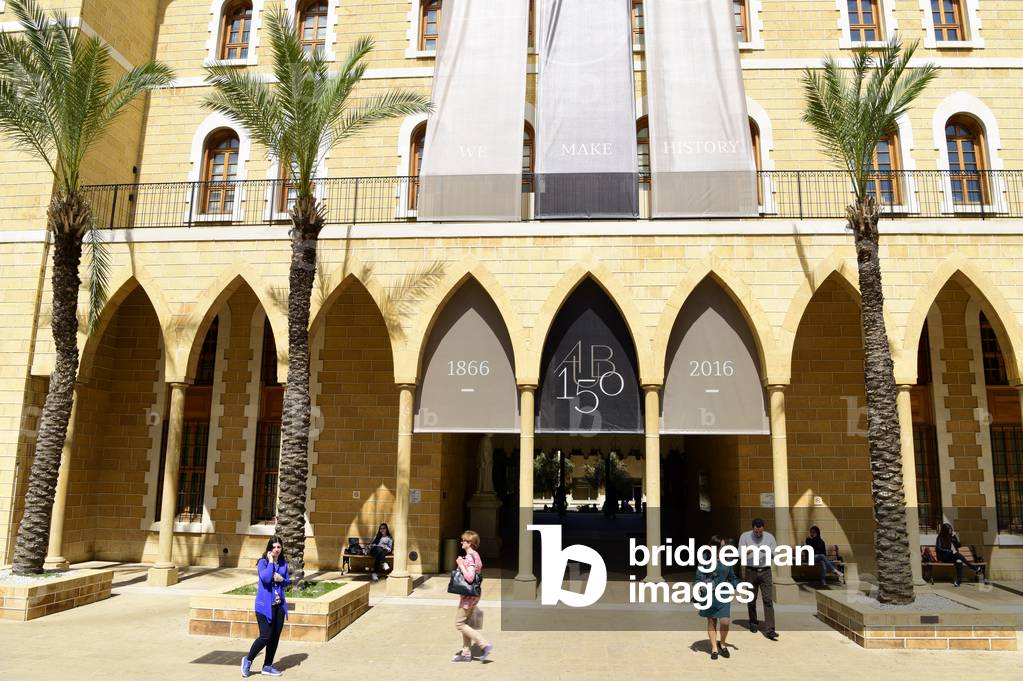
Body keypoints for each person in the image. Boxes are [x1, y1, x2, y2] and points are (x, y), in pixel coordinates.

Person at [242, 536, 290, 678]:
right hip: (264, 607)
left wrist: (282, 579)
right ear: (269, 549)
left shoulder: (283, 564)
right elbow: (266, 578)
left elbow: (287, 582)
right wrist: (270, 562)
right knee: (266, 636)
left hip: (279, 606)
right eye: (274, 547)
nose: (276, 550)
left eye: (278, 547)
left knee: (274, 637)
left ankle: (267, 666)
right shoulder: (262, 563)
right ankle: (248, 659)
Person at [452, 530, 493, 663]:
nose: (461, 542)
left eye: (464, 540)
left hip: (468, 597)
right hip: (473, 595)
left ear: (469, 543)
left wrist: (460, 564)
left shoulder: (469, 557)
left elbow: (469, 578)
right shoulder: (476, 555)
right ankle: (465, 653)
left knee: (459, 623)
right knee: (466, 623)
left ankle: (484, 644)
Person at [697, 535, 739, 660]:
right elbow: (699, 576)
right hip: (709, 595)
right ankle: (714, 648)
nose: (722, 548)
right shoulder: (705, 558)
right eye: (720, 545)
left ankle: (723, 643)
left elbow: (733, 578)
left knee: (725, 621)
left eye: (723, 546)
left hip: (723, 594)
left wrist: (733, 586)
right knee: (711, 621)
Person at [737, 517, 778, 640]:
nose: (758, 534)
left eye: (760, 532)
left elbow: (776, 554)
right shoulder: (745, 536)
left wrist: (768, 551)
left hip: (765, 571)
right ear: (753, 528)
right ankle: (753, 623)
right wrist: (747, 552)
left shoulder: (769, 537)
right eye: (756, 532)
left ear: (763, 529)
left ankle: (770, 629)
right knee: (751, 599)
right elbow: (739, 554)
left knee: (768, 600)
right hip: (750, 570)